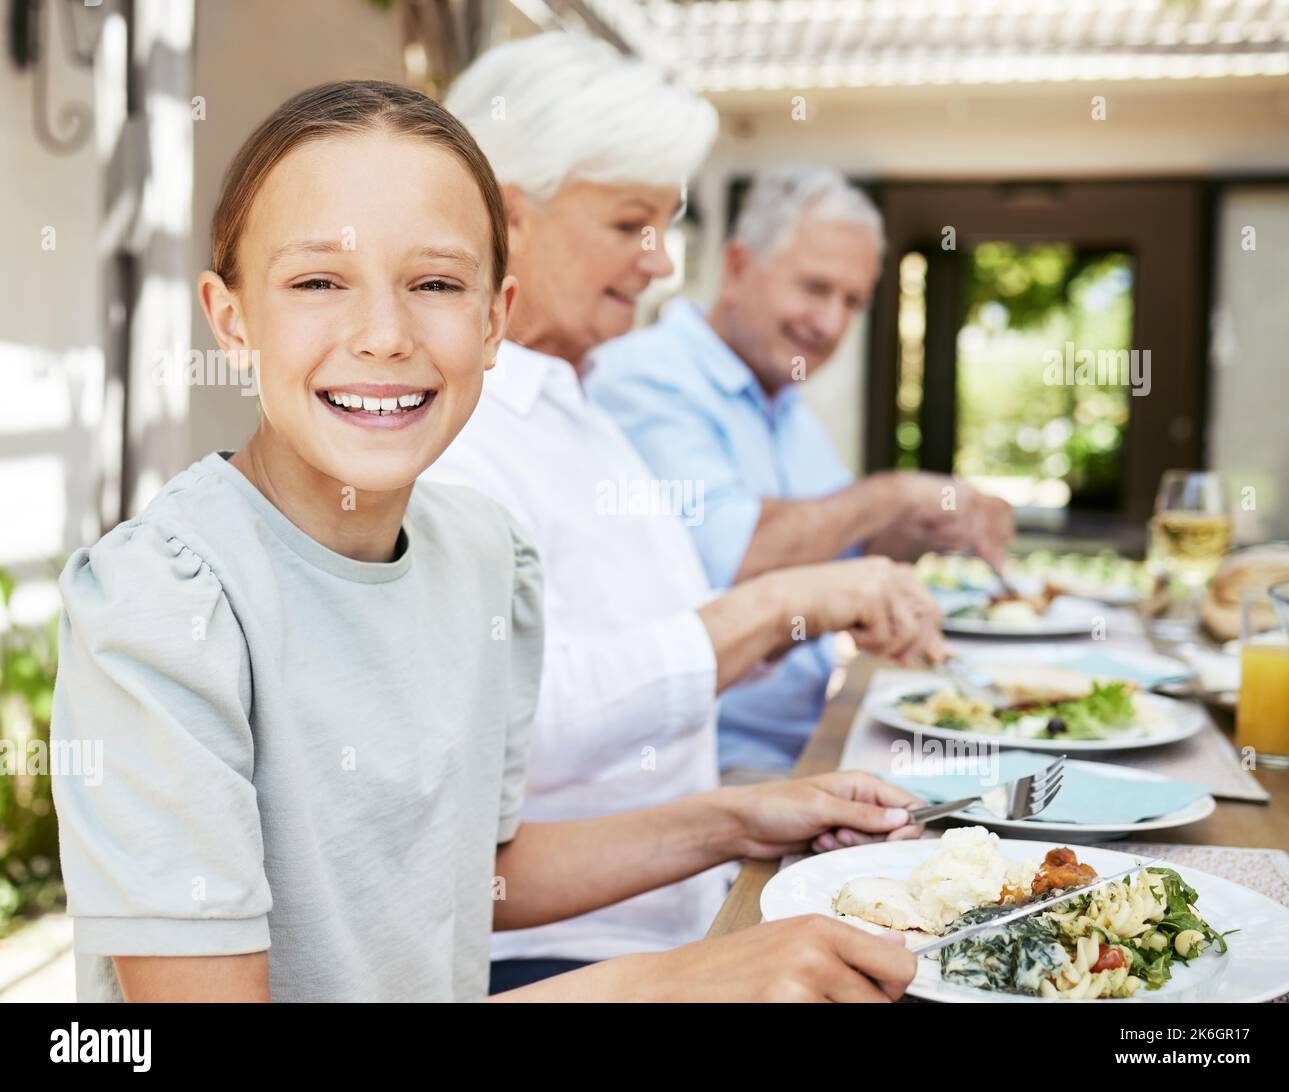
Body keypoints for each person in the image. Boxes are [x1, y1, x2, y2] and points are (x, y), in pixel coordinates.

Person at [49, 80, 919, 1003]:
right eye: (316, 282)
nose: (383, 335)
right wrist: (671, 984)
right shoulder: (164, 602)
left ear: (495, 319)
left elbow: (475, 872)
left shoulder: (483, 554)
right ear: (231, 322)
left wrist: (742, 820)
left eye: (434, 284)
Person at [420, 34, 946, 992]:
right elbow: (523, 719)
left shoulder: (574, 401)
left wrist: (758, 796)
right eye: (631, 224)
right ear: (508, 216)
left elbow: (638, 635)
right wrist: (781, 603)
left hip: (673, 905)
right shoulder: (452, 429)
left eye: (668, 226)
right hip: (556, 956)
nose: (661, 266)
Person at [590, 164, 1015, 779]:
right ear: (737, 268)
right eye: (815, 288)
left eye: (852, 301)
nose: (832, 325)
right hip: (714, 762)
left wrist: (931, 523)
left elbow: (841, 545)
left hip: (817, 731)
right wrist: (897, 491)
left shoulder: (783, 399)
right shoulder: (645, 379)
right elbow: (740, 553)